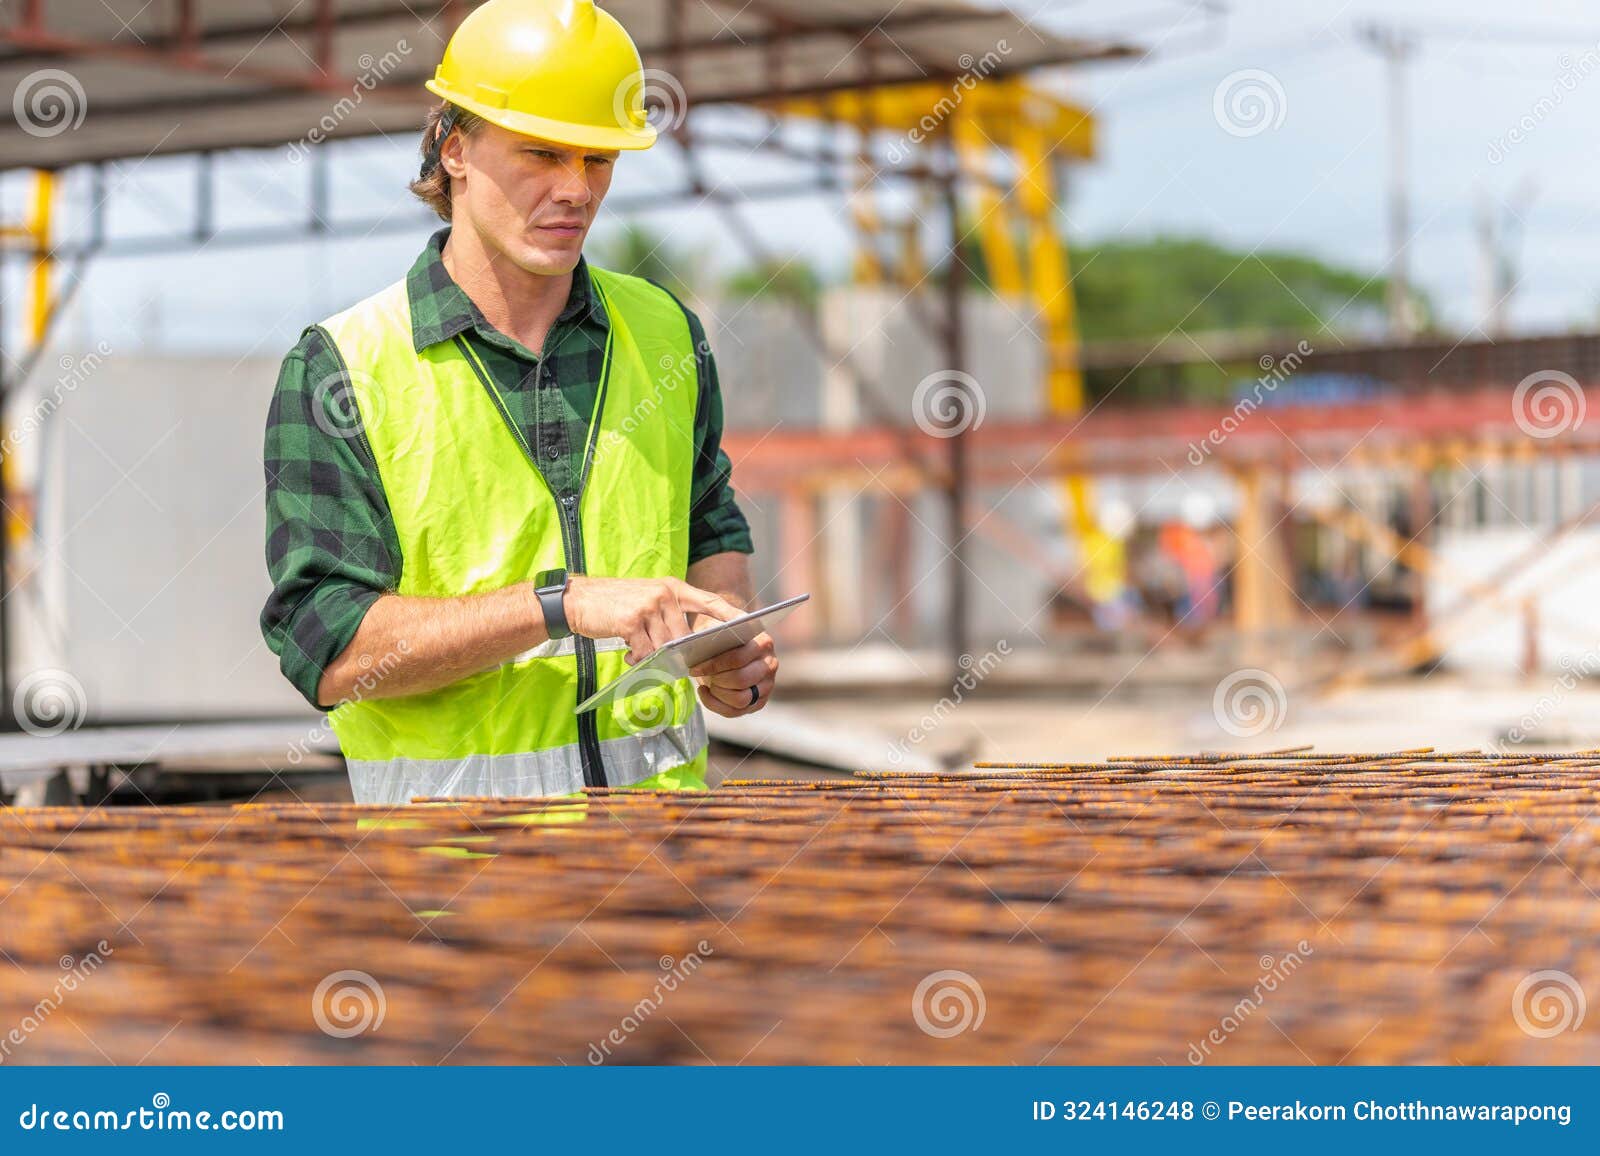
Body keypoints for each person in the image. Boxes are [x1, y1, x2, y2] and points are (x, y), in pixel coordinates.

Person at [259, 0, 776, 804]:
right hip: (453, 891)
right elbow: (331, 652)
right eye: (542, 154)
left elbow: (709, 521)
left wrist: (724, 645)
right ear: (454, 147)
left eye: (598, 160)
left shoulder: (666, 332)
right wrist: (559, 604)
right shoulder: (343, 368)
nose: (576, 190)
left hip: (662, 873)